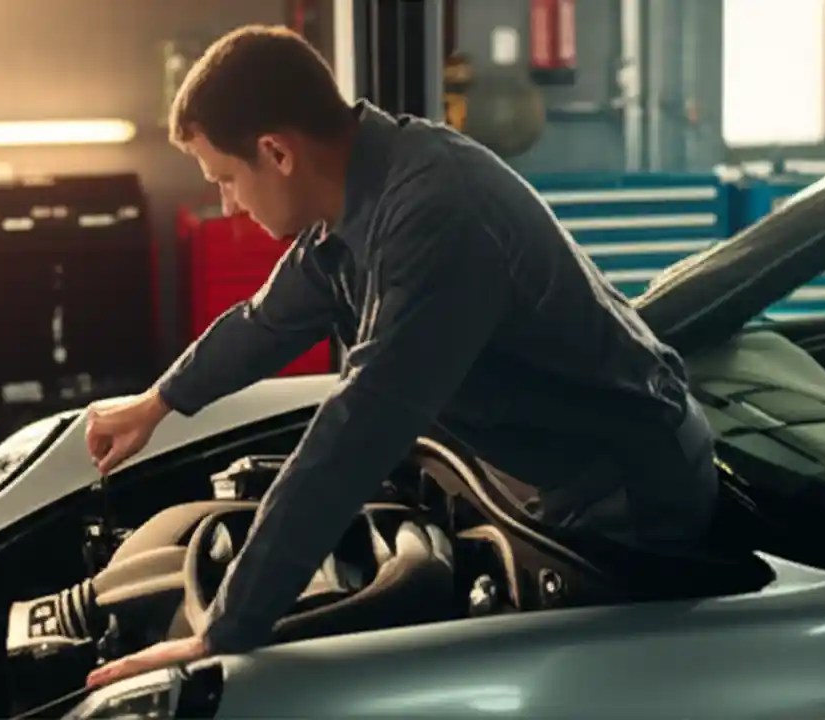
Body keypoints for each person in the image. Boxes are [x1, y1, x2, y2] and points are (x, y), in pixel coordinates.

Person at [83, 24, 721, 689]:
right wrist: (155, 405)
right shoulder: (360, 192)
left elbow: (358, 429)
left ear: (276, 152)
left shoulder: (434, 216)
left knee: (579, 694)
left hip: (630, 493)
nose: (228, 203)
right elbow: (265, 322)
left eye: (225, 179)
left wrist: (225, 628)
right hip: (555, 469)